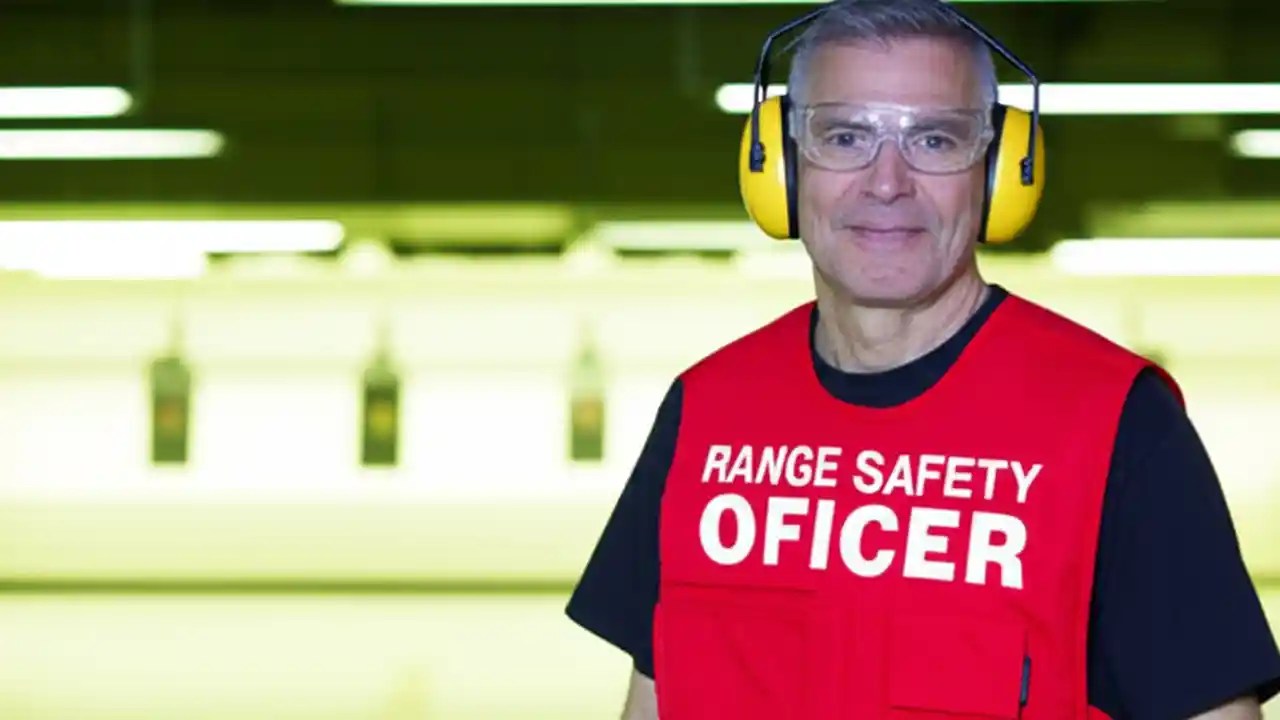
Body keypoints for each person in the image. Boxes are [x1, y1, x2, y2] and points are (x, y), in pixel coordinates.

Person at [565, 1, 1280, 718]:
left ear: (999, 170)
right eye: (844, 136)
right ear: (778, 163)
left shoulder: (1115, 427)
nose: (886, 183)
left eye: (934, 141)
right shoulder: (706, 414)